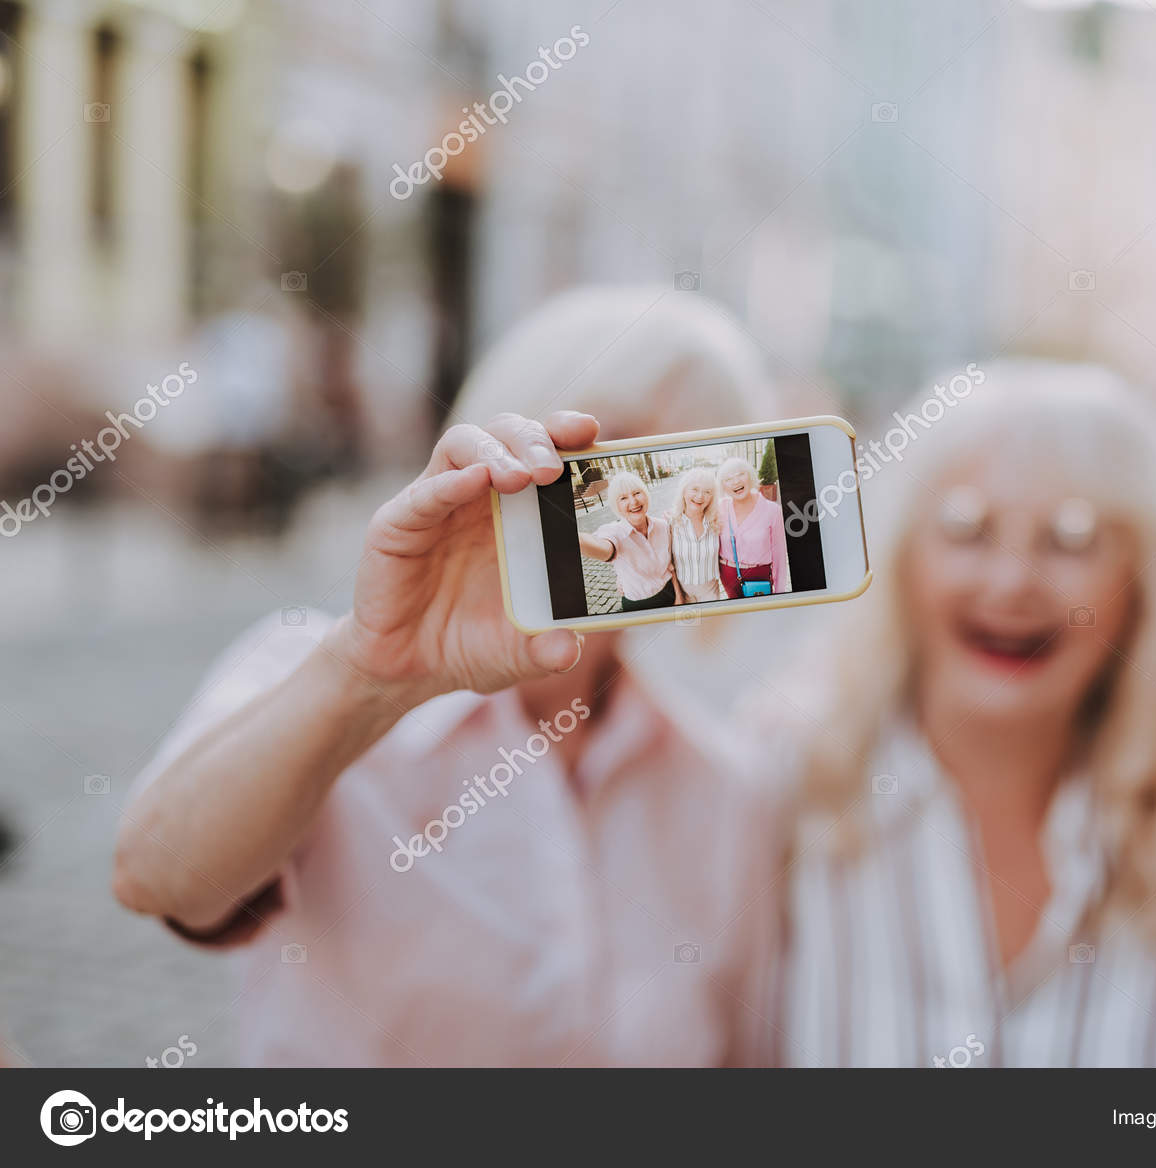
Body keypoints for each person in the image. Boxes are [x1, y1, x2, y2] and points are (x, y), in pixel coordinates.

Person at [112, 286, 786, 1066]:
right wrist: (370, 678)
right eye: (620, 447)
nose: (650, 503)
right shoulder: (311, 676)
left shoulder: (727, 789)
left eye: (695, 467)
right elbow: (158, 879)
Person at [778, 363, 1156, 1067]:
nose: (1012, 582)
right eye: (966, 529)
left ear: (1142, 587)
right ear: (900, 563)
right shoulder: (779, 793)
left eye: (1073, 539)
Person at [580, 471, 674, 611]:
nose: (633, 502)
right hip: (639, 605)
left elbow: (673, 564)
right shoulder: (615, 532)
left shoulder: (663, 525)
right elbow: (603, 548)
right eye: (623, 498)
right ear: (616, 505)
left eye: (637, 493)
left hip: (670, 593)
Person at [717, 456, 788, 599]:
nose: (736, 481)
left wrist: (780, 593)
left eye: (740, 474)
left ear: (750, 476)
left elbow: (779, 555)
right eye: (728, 479)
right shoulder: (719, 508)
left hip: (759, 577)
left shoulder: (773, 510)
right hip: (728, 576)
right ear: (723, 486)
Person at [668, 467, 725, 605]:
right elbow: (663, 561)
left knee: (712, 626)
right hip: (683, 592)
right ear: (684, 491)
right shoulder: (671, 523)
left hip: (710, 591)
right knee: (688, 626)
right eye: (694, 489)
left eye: (707, 492)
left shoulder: (716, 522)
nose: (700, 496)